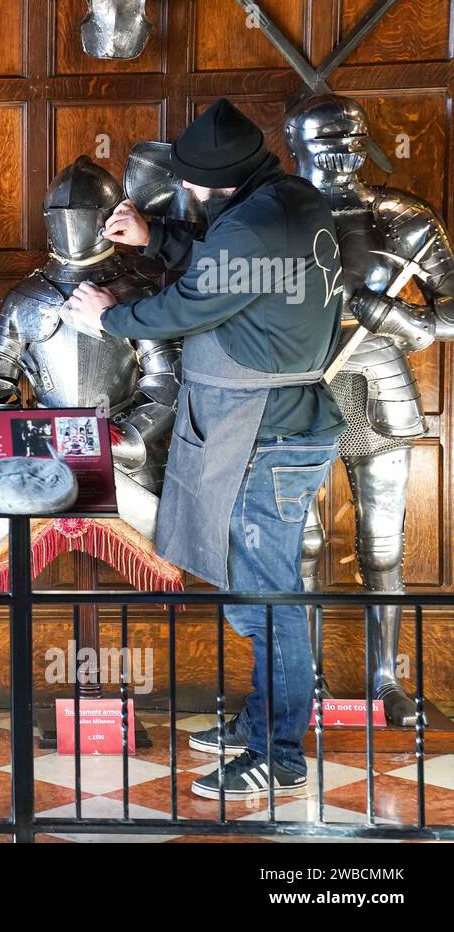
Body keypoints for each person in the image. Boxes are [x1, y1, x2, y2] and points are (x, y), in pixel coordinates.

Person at [68, 99, 345, 801]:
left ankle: (277, 754)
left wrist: (111, 319)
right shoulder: (286, 202)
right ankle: (263, 720)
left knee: (266, 600)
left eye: (187, 189)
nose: (184, 196)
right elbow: (227, 270)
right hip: (271, 427)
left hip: (265, 435)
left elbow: (188, 305)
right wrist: (154, 236)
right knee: (255, 595)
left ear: (213, 186)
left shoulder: (250, 226)